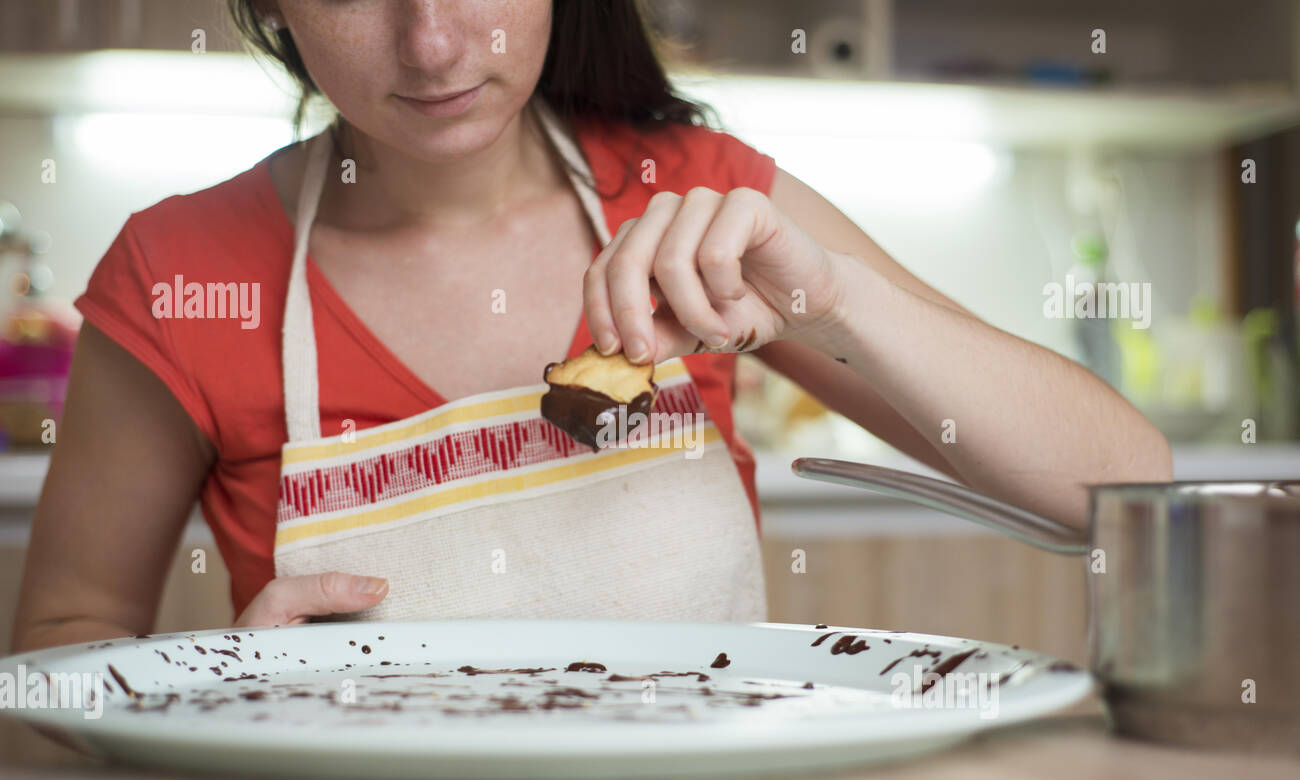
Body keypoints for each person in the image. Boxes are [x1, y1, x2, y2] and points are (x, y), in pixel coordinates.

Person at [11, 0, 1171, 652]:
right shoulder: (179, 271)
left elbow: (1121, 495)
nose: (431, 41)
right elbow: (65, 637)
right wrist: (213, 686)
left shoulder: (706, 199)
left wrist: (836, 300)